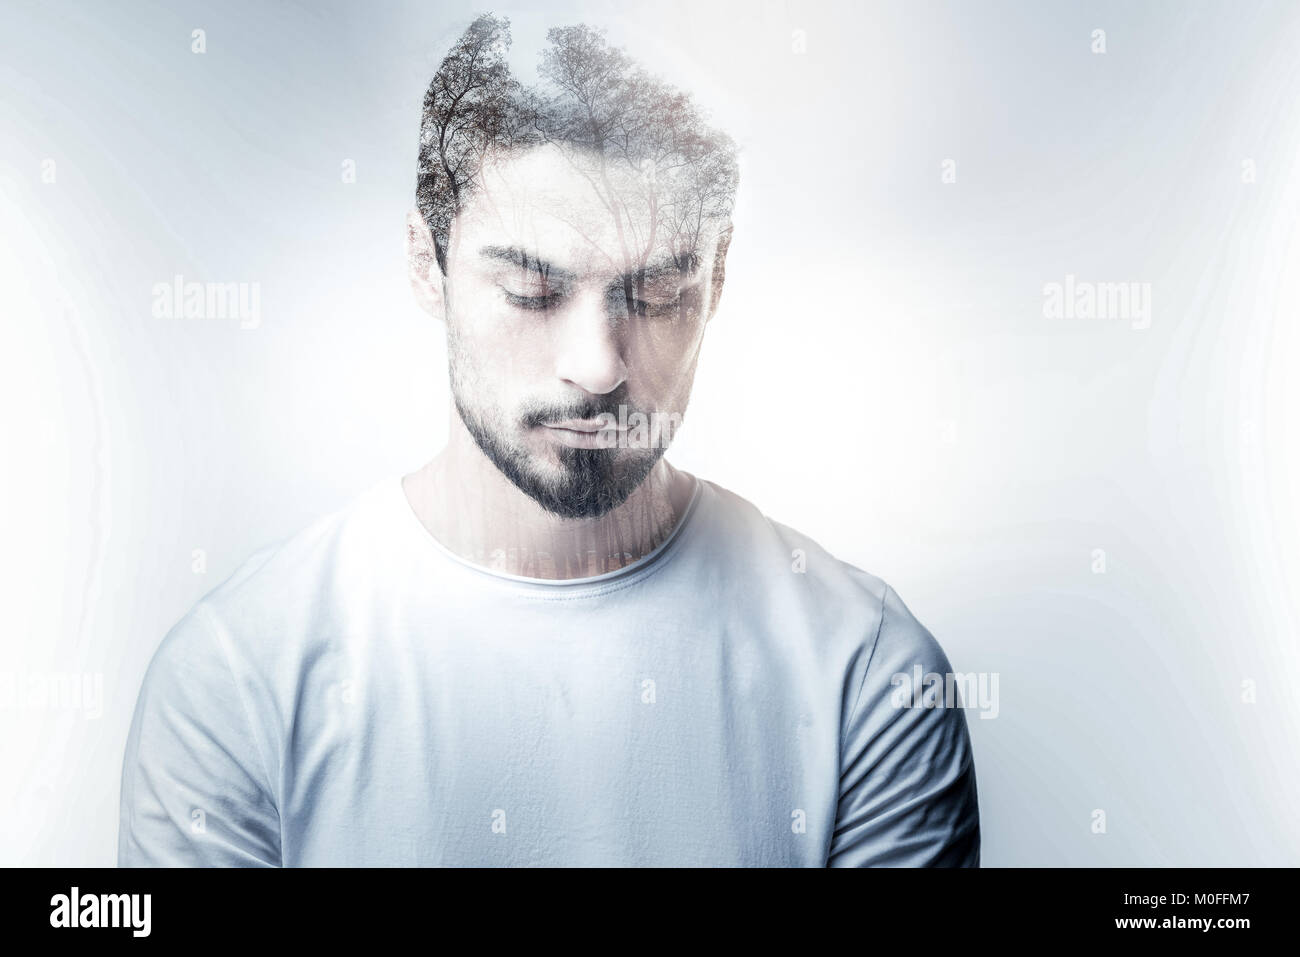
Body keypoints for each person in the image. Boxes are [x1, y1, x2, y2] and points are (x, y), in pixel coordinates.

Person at [118, 13, 980, 867]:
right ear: (425, 262)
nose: (598, 366)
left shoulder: (868, 674)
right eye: (533, 290)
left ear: (716, 278)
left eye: (656, 294)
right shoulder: (237, 680)